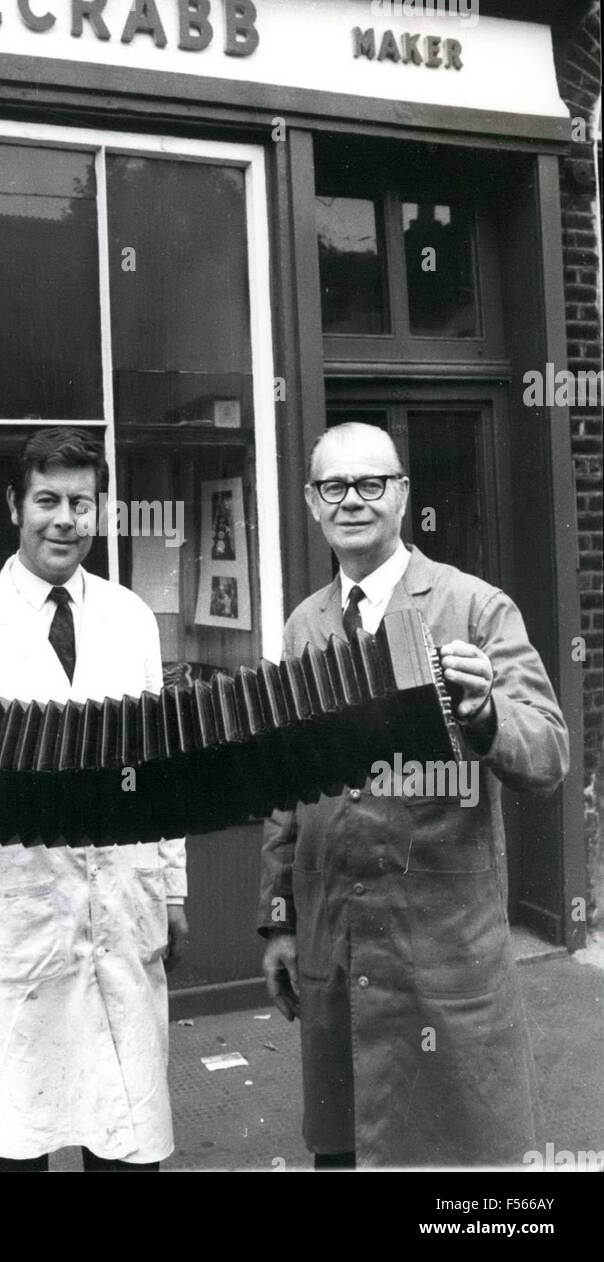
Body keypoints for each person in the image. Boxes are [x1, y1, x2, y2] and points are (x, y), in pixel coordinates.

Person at [258, 422, 568, 1169]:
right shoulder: (305, 627)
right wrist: (278, 919)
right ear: (311, 502)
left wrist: (487, 715)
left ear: (402, 495)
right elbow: (285, 790)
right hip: (338, 943)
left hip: (443, 958)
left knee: (460, 1180)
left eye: (372, 484)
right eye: (335, 487)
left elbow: (550, 753)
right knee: (346, 1151)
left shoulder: (475, 608)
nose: (353, 501)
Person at [0, 427, 188, 1172]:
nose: (65, 519)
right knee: (19, 1145)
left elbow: (158, 768)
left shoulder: (130, 617)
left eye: (82, 502)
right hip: (20, 922)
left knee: (127, 1139)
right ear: (14, 506)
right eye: (47, 501)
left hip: (122, 907)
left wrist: (172, 889)